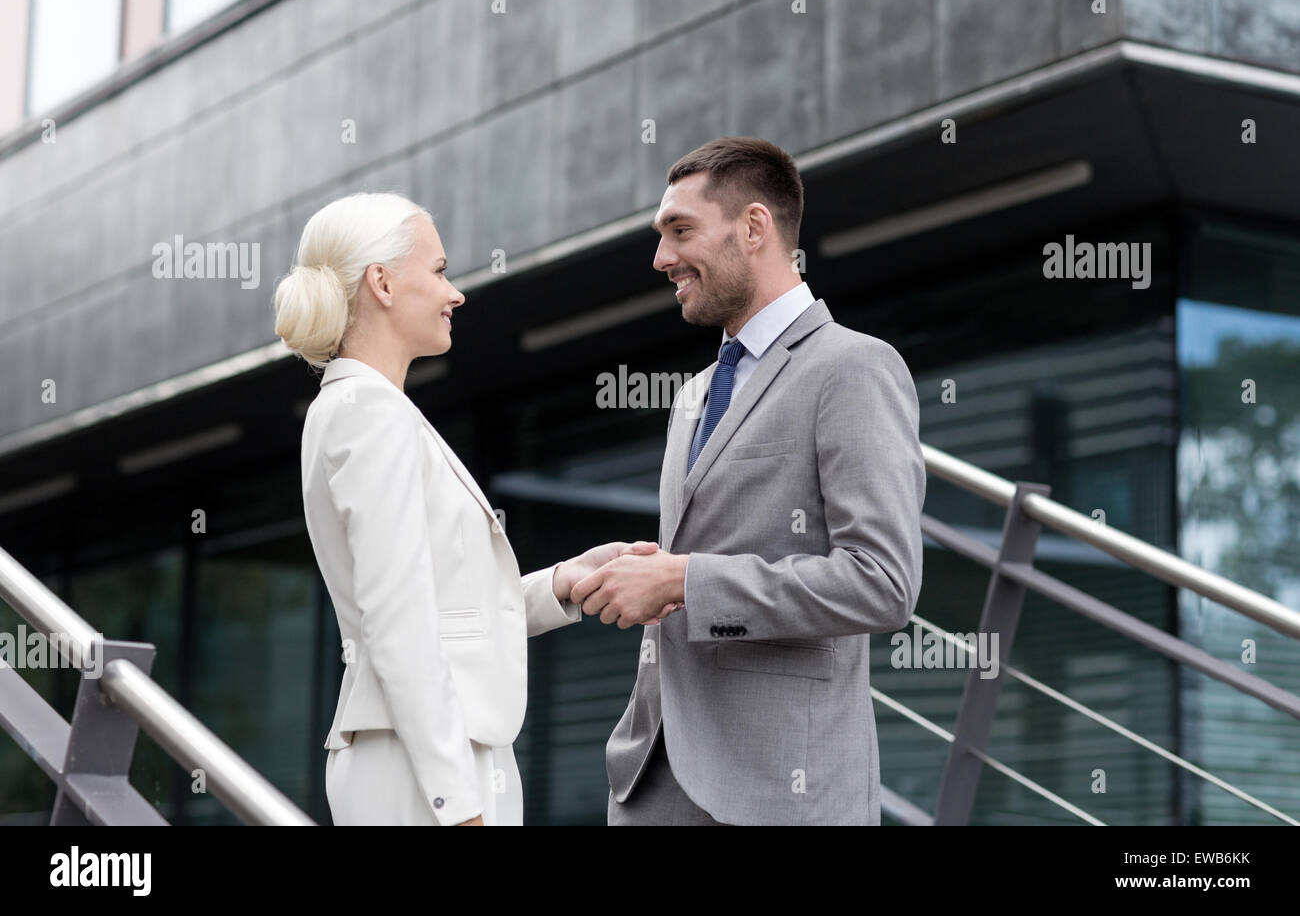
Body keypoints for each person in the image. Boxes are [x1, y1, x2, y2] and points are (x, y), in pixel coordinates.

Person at [570, 138, 926, 825]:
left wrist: (685, 581)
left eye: (681, 231)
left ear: (755, 227)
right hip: (651, 780)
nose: (661, 258)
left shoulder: (853, 368)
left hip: (779, 792)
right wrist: (647, 575)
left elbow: (882, 583)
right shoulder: (694, 396)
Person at [273, 192, 654, 825]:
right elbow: (398, 622)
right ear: (383, 283)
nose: (457, 294)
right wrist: (458, 807)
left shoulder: (365, 409)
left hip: (424, 756)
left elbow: (445, 609)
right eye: (441, 270)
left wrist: (563, 583)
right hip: (421, 770)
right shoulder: (369, 413)